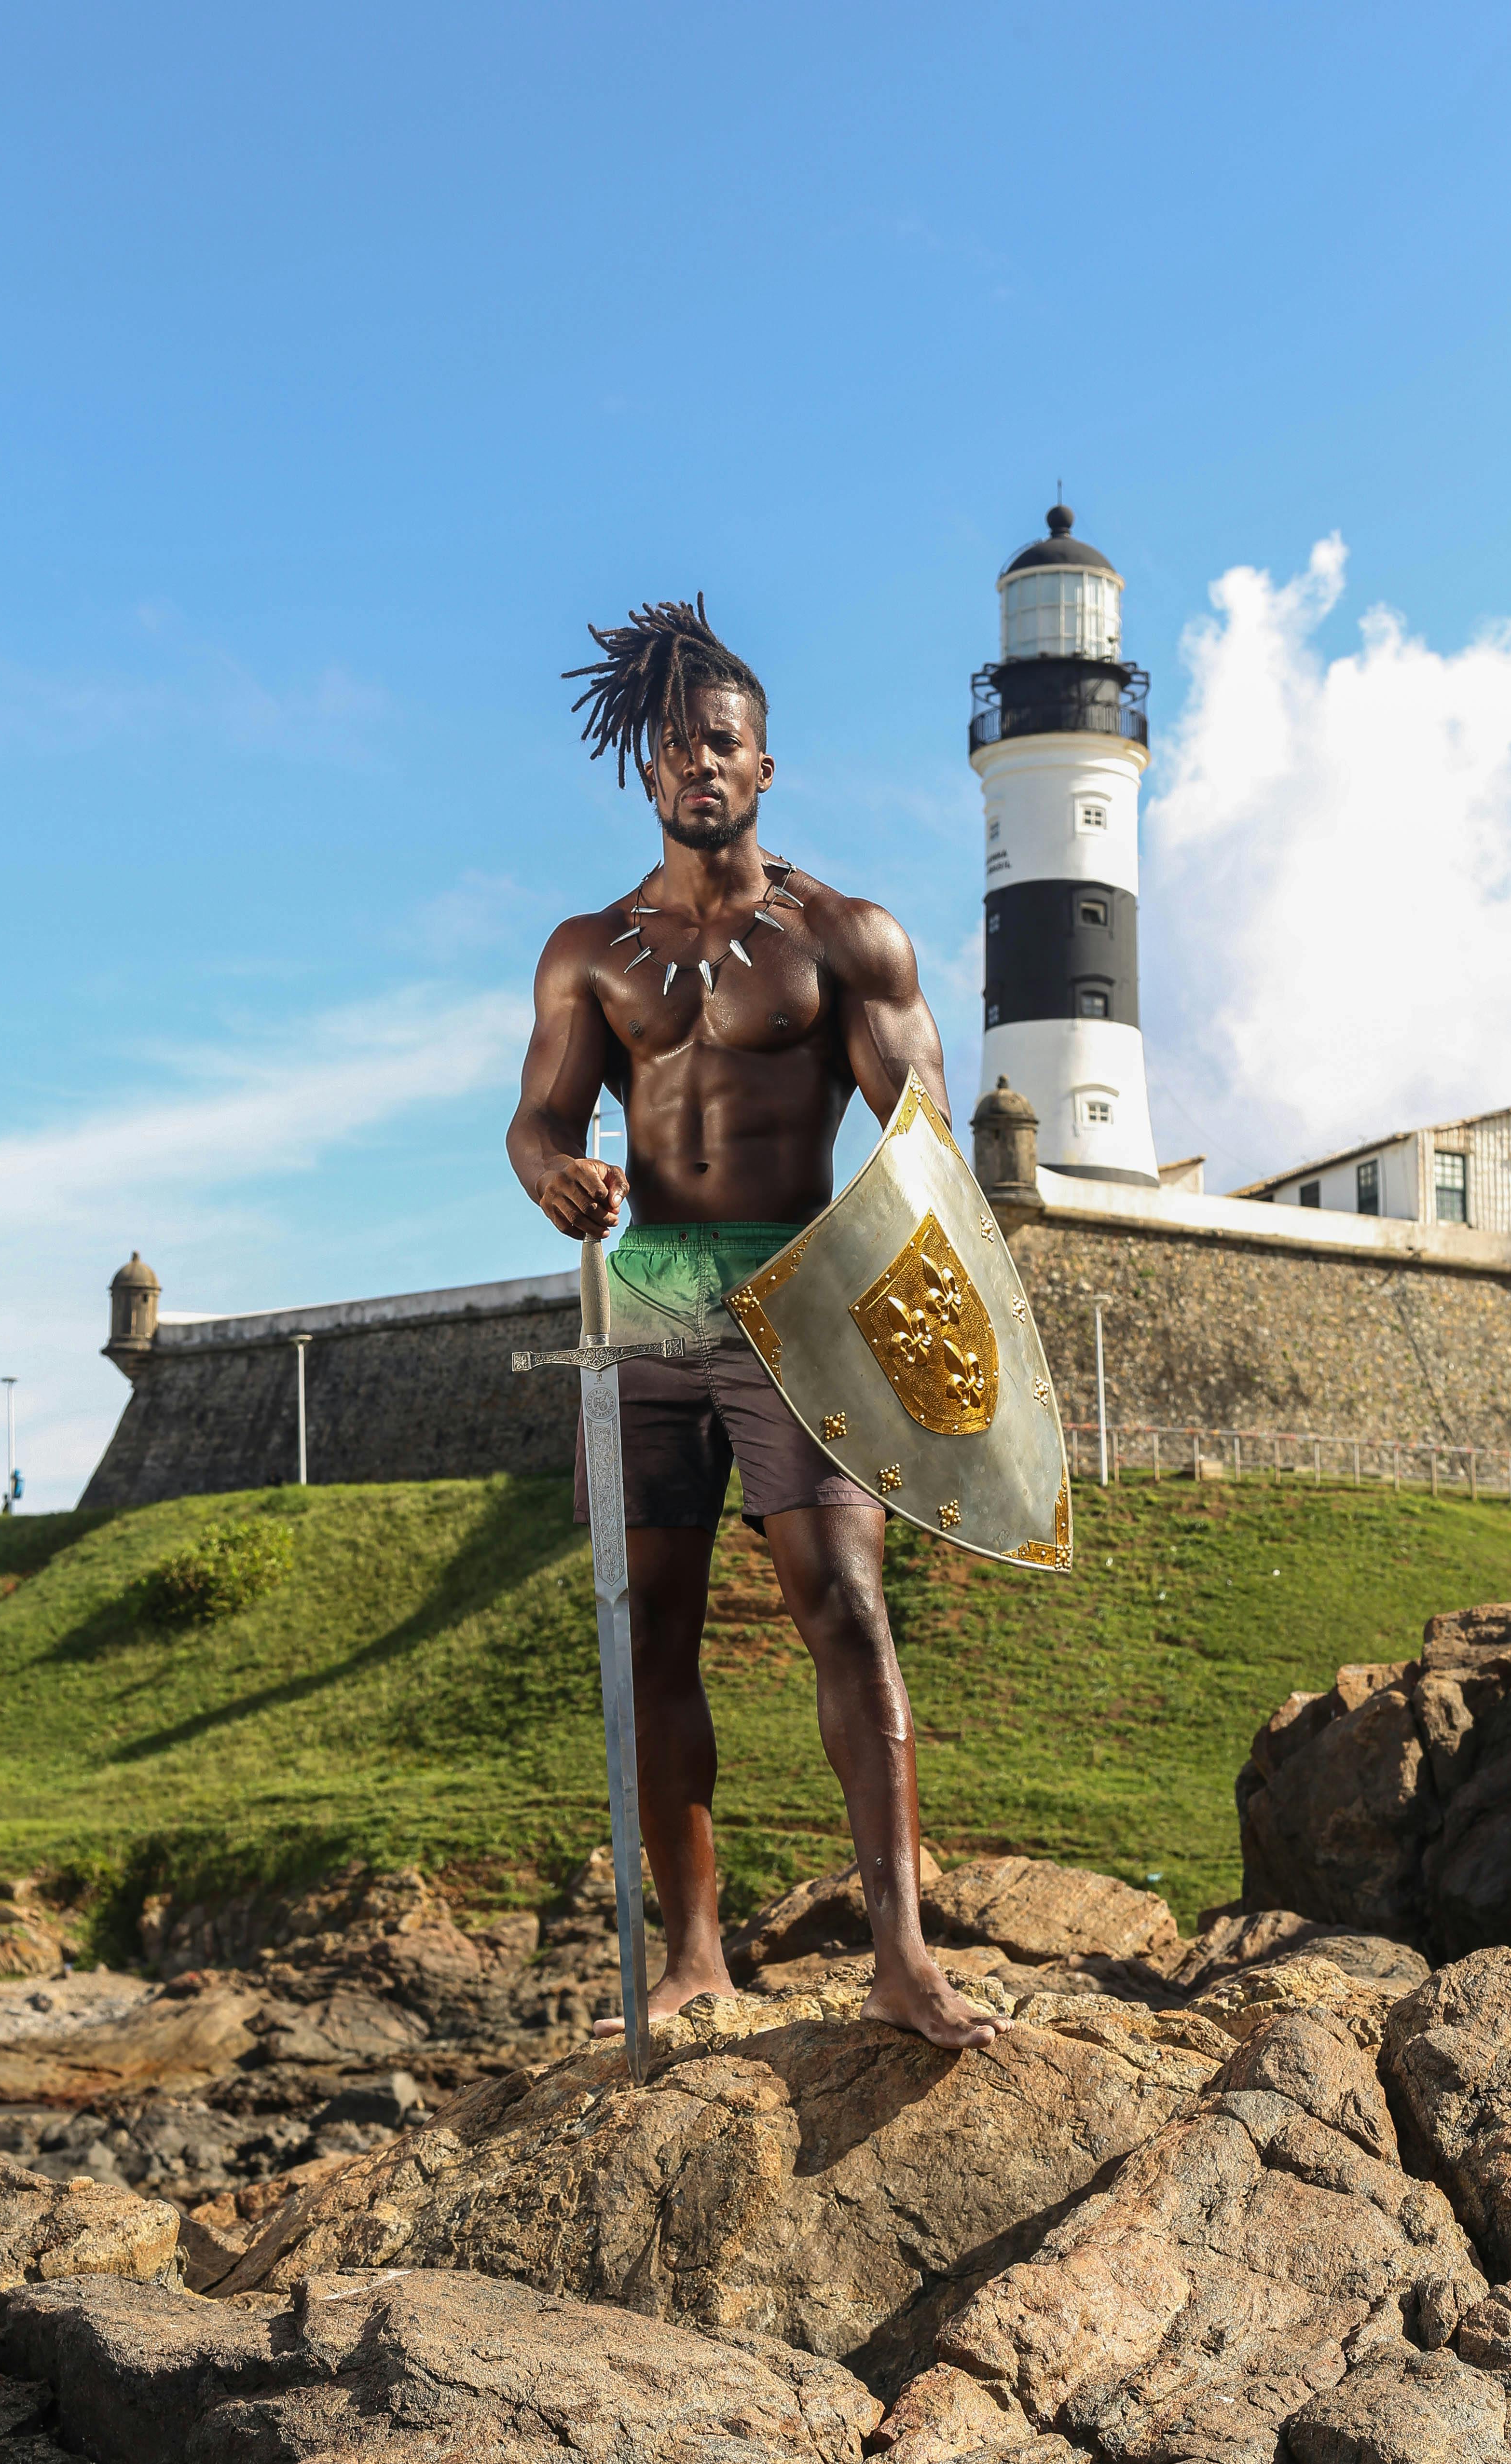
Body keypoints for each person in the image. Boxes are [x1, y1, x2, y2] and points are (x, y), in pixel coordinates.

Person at [507, 597, 999, 2049]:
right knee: (649, 1624)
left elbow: (927, 1147)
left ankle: (901, 1954)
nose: (697, 766)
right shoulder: (589, 951)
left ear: (765, 766)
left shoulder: (846, 937)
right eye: (675, 749)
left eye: (721, 744)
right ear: (647, 775)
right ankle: (696, 1958)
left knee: (841, 1602)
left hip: (796, 1292)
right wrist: (560, 1177)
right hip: (648, 1291)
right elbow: (536, 1121)